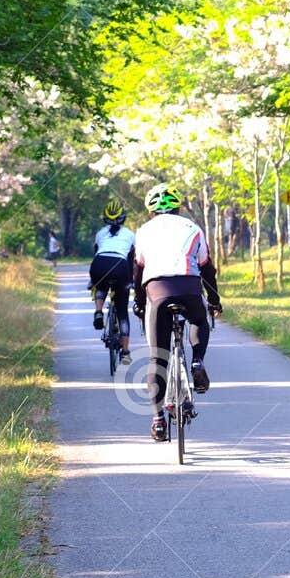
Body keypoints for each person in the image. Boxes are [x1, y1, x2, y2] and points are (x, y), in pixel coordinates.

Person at [132, 182, 221, 442]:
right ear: (179, 208)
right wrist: (214, 301)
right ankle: (197, 360)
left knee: (157, 359)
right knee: (199, 320)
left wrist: (139, 302)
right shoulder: (193, 228)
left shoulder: (143, 232)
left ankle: (158, 421)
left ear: (151, 212)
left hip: (157, 291)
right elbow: (207, 269)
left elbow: (138, 272)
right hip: (190, 287)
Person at [88, 199, 135, 364]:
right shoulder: (130, 234)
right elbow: (131, 260)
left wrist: (92, 280)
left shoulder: (100, 233)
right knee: (122, 313)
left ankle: (99, 311)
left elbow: (96, 254)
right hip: (120, 267)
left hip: (99, 265)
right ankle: (125, 351)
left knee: (99, 284)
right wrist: (130, 281)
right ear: (123, 217)